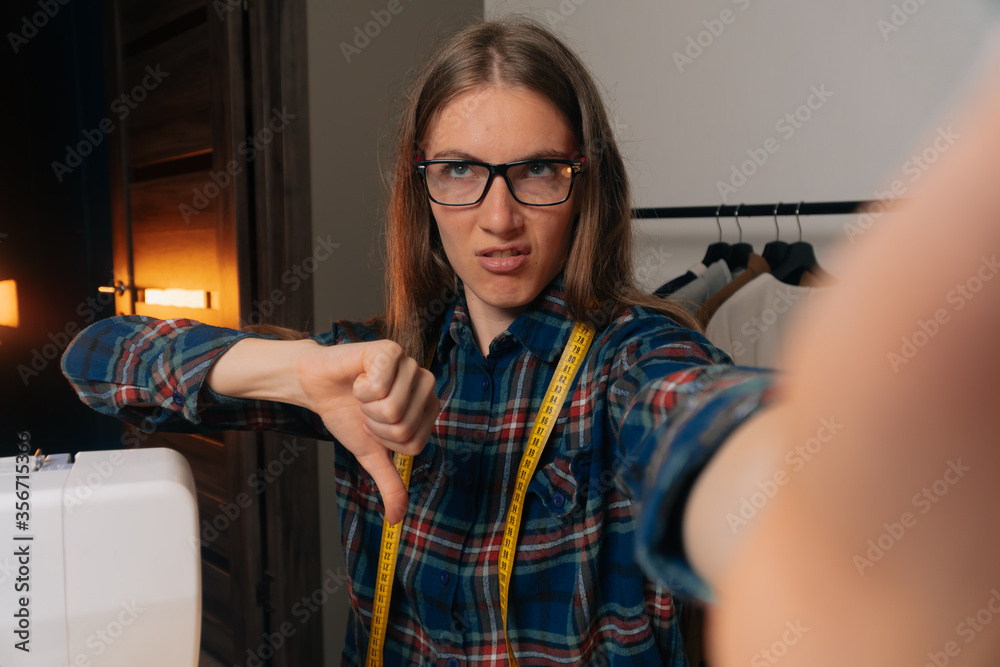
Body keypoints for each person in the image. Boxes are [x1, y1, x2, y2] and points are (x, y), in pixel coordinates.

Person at [61, 16, 1000, 667]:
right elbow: (97, 361)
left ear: (584, 183)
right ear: (421, 190)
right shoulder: (365, 370)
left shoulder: (628, 364)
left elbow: (701, 421)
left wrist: (820, 500)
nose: (499, 217)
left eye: (538, 170)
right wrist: (295, 371)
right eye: (462, 171)